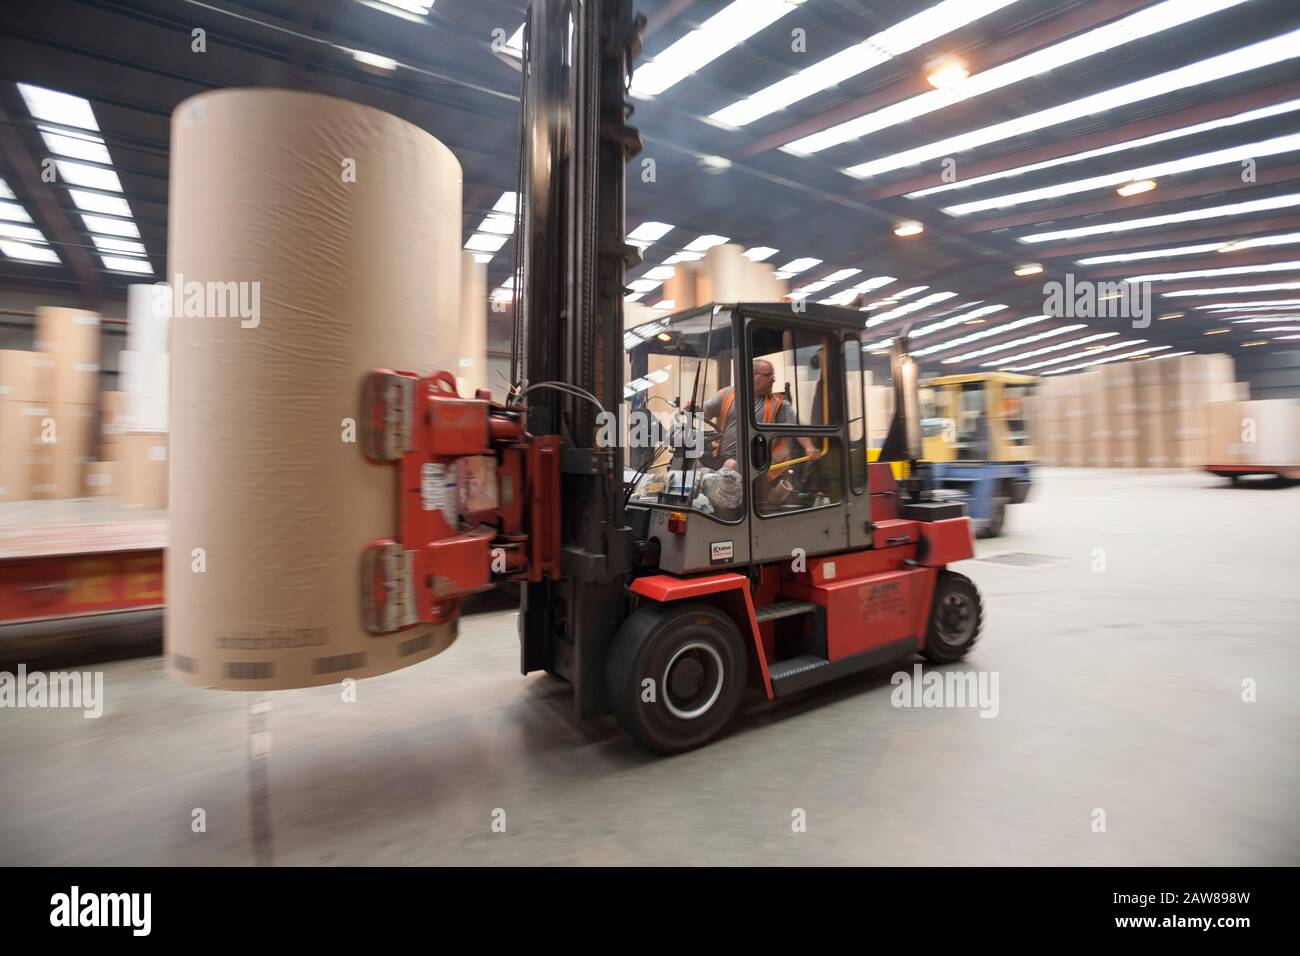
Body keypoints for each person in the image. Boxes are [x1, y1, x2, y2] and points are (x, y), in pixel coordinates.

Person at [702, 359, 821, 472]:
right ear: (753, 375)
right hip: (723, 457)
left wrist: (809, 447)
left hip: (758, 465)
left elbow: (796, 427)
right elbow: (706, 410)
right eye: (769, 375)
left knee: (731, 465)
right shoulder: (727, 394)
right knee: (695, 464)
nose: (773, 380)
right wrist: (696, 407)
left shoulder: (779, 404)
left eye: (773, 376)